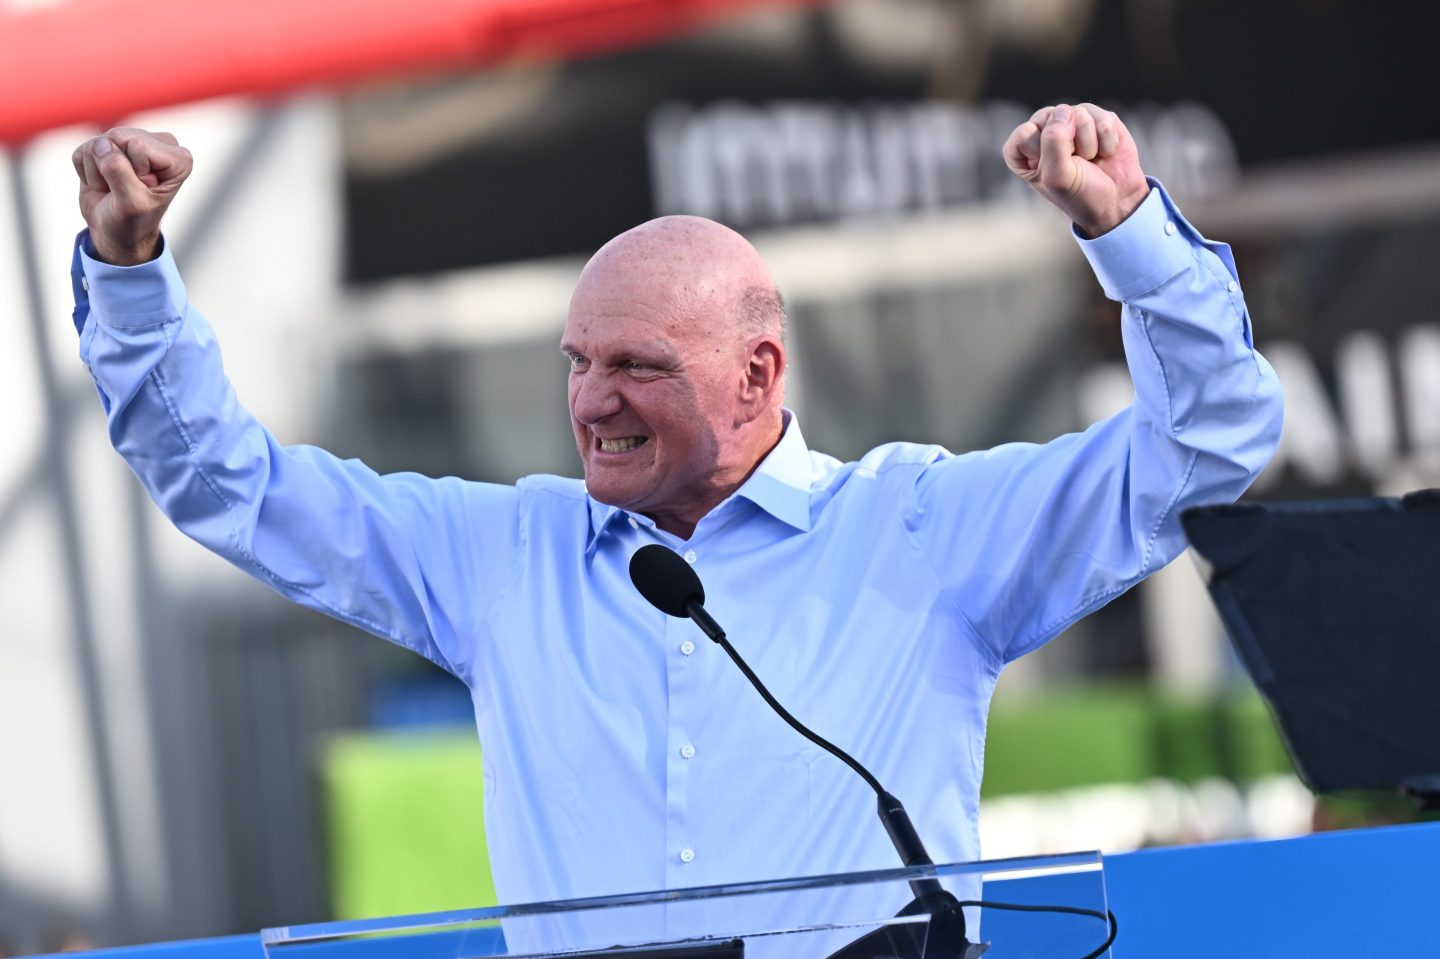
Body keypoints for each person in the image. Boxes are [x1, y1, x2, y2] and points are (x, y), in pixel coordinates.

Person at [69, 104, 1282, 927]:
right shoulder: (505, 556)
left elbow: (1210, 445)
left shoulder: (920, 528)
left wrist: (1128, 235)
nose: (592, 400)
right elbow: (232, 486)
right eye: (576, 360)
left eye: (639, 365)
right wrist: (129, 272)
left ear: (758, 375)